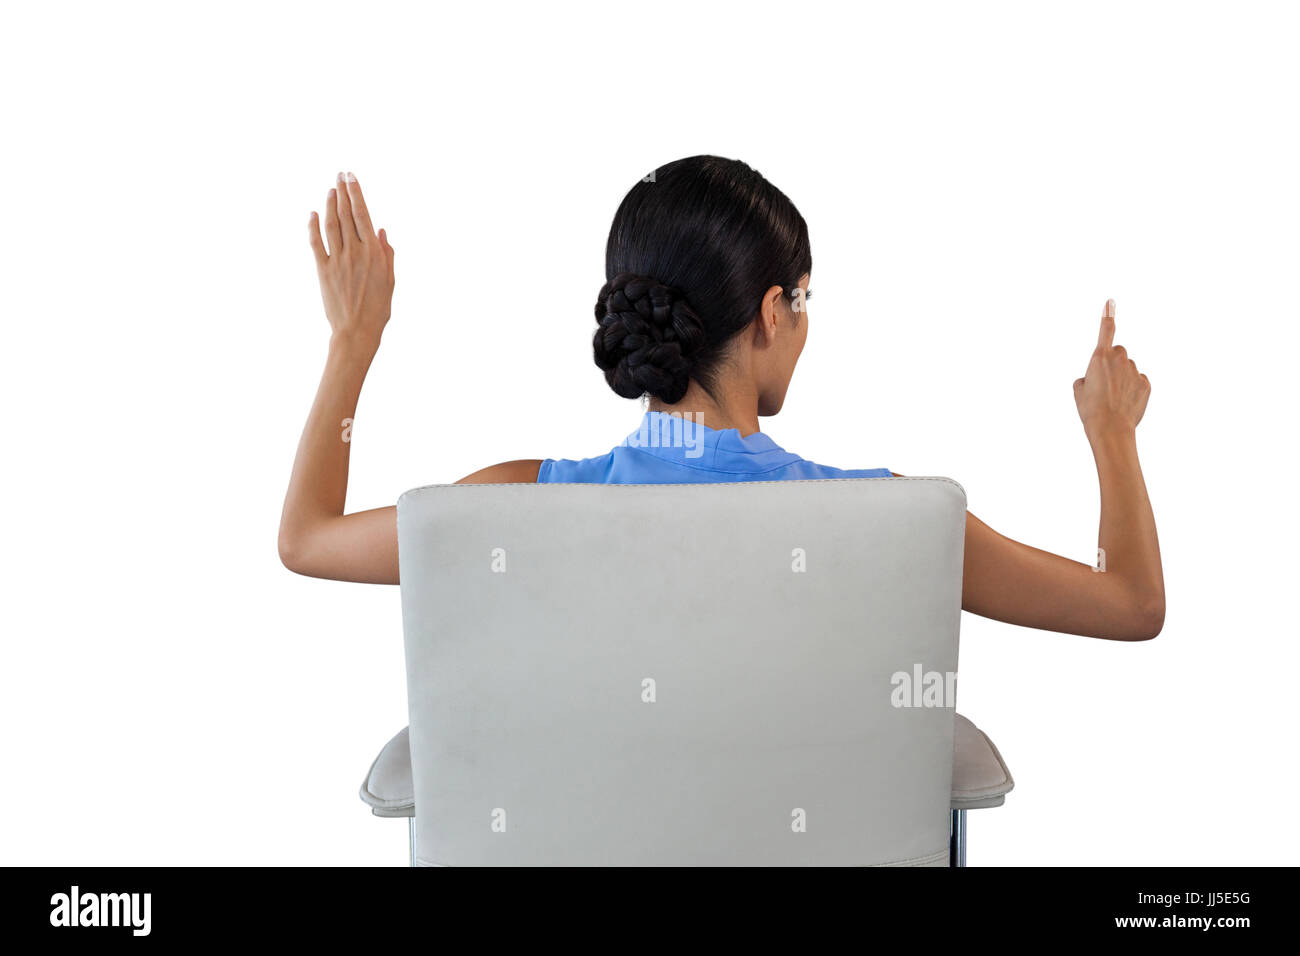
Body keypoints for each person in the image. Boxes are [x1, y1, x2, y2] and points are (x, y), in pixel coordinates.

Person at [279, 157, 1163, 641]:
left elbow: (308, 539)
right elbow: (1130, 604)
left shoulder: (509, 504)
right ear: (774, 313)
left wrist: (354, 340)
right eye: (806, 300)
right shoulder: (896, 516)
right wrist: (1111, 435)